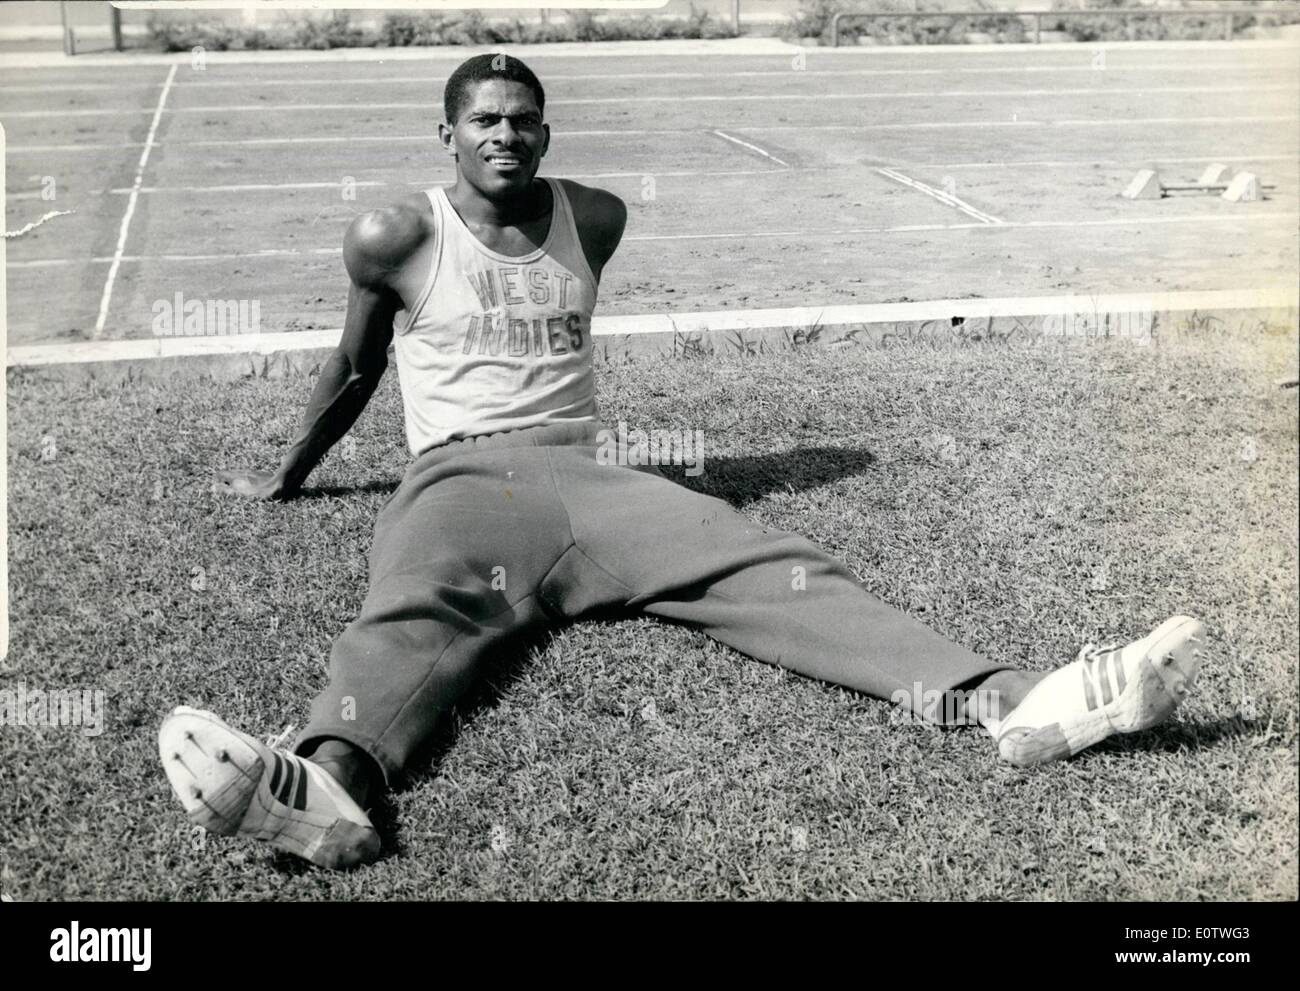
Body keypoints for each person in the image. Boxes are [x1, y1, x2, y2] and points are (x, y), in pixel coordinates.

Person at [159, 54, 1206, 870]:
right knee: (411, 613)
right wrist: (288, 471)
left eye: (523, 119)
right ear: (448, 135)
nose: (505, 135)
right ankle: (325, 785)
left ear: (546, 132)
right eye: (483, 120)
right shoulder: (396, 233)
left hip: (595, 483)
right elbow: (355, 365)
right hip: (463, 480)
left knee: (769, 567)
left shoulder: (594, 215)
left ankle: (1019, 700)